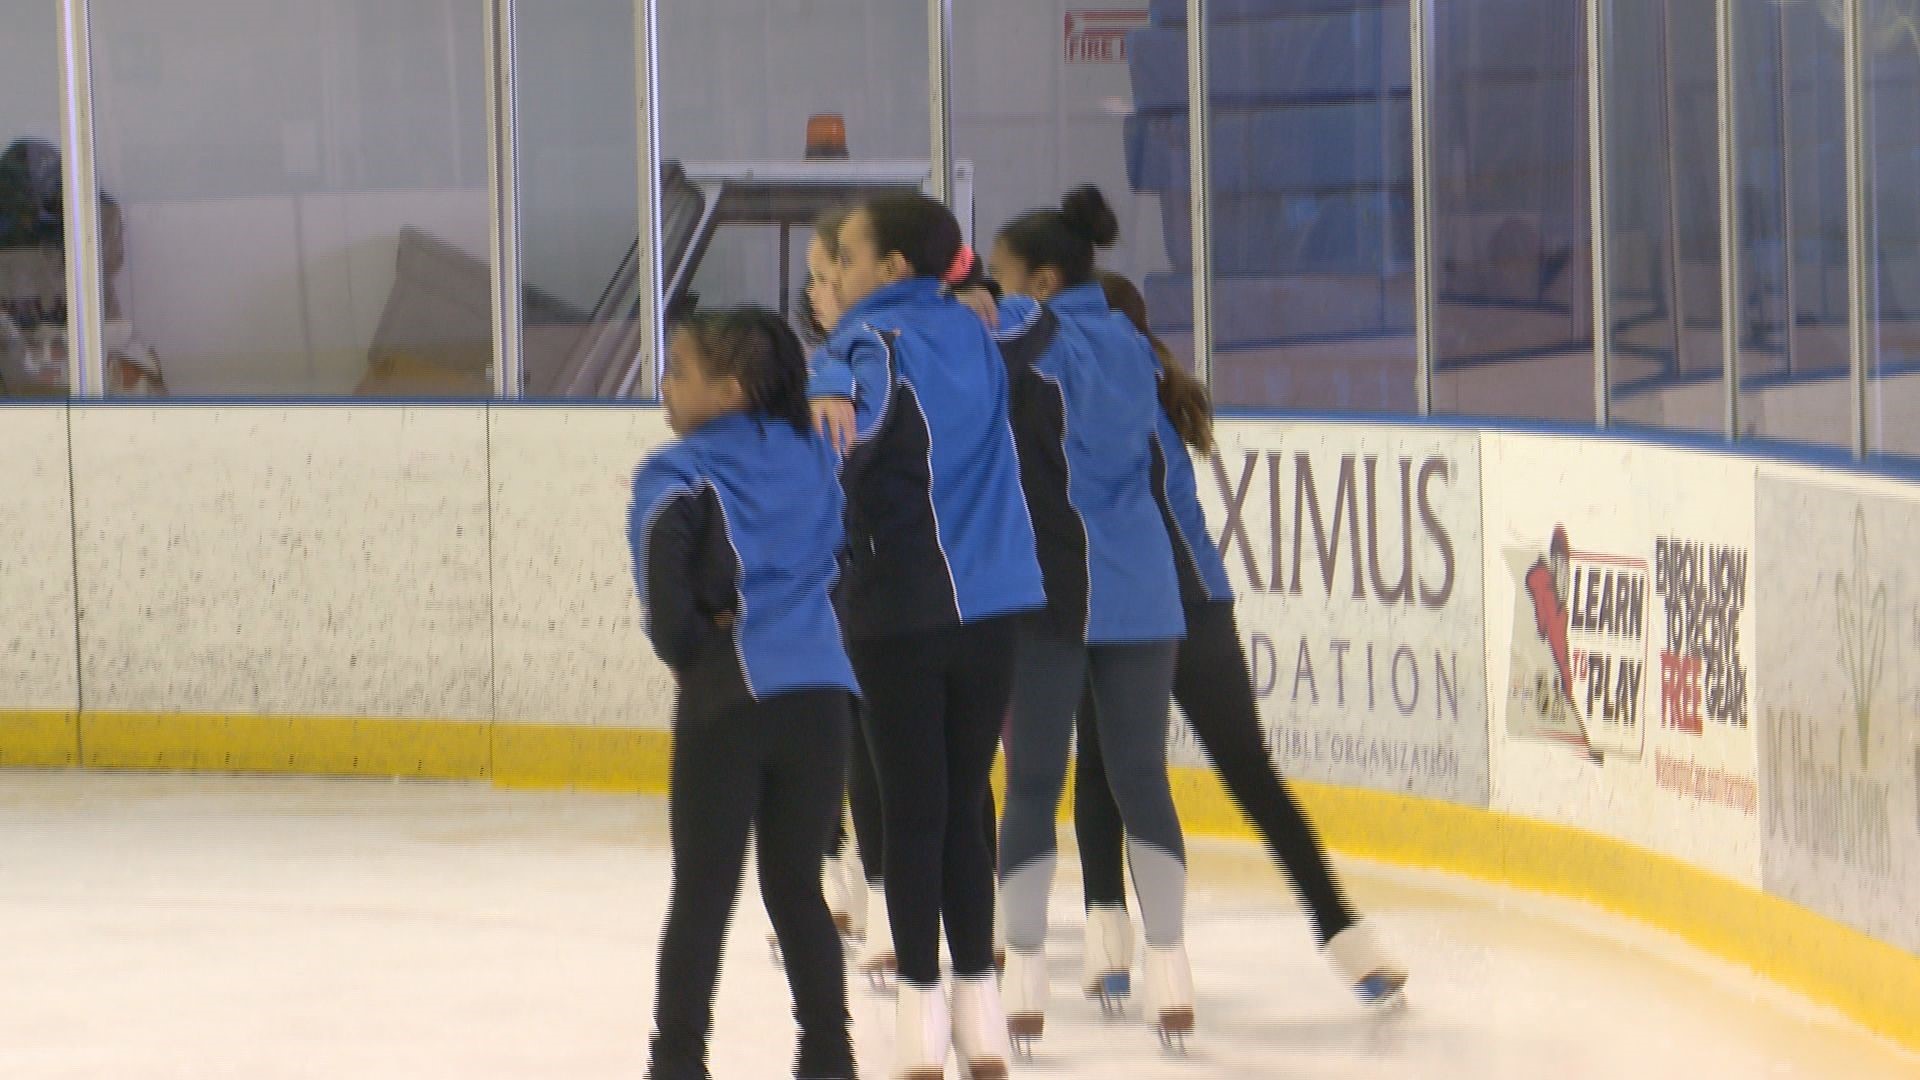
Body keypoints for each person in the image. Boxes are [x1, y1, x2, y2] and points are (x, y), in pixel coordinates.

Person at [1069, 270, 1410, 1011]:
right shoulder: (1150, 382)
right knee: (1242, 772)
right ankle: (1344, 931)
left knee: (1104, 767)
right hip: (1198, 605)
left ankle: (1109, 937)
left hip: (1131, 608)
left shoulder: (1099, 392)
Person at [810, 192, 1042, 1079]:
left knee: (913, 812)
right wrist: (983, 295)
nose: (837, 275)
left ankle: (921, 1012)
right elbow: (1039, 320)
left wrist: (825, 385)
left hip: (900, 610)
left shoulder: (869, 343)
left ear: (892, 268)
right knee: (961, 805)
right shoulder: (982, 330)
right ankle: (980, 1008)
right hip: (994, 605)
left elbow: (854, 422)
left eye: (848, 258)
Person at [986, 187, 1194, 1049]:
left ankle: (1025, 973)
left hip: (1055, 588)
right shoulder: (1133, 346)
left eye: (1000, 277)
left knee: (1034, 784)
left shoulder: (1029, 341)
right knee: (1142, 779)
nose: (992, 293)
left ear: (1040, 282)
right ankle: (1171, 970)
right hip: (1142, 586)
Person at [630, 308, 859, 1080]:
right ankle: (828, 1056)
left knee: (702, 892)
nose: (664, 386)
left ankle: (677, 1063)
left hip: (729, 700)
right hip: (823, 699)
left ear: (729, 390)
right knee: (797, 889)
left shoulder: (674, 472)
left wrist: (696, 647)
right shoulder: (818, 452)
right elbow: (847, 561)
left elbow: (668, 613)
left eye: (678, 372)